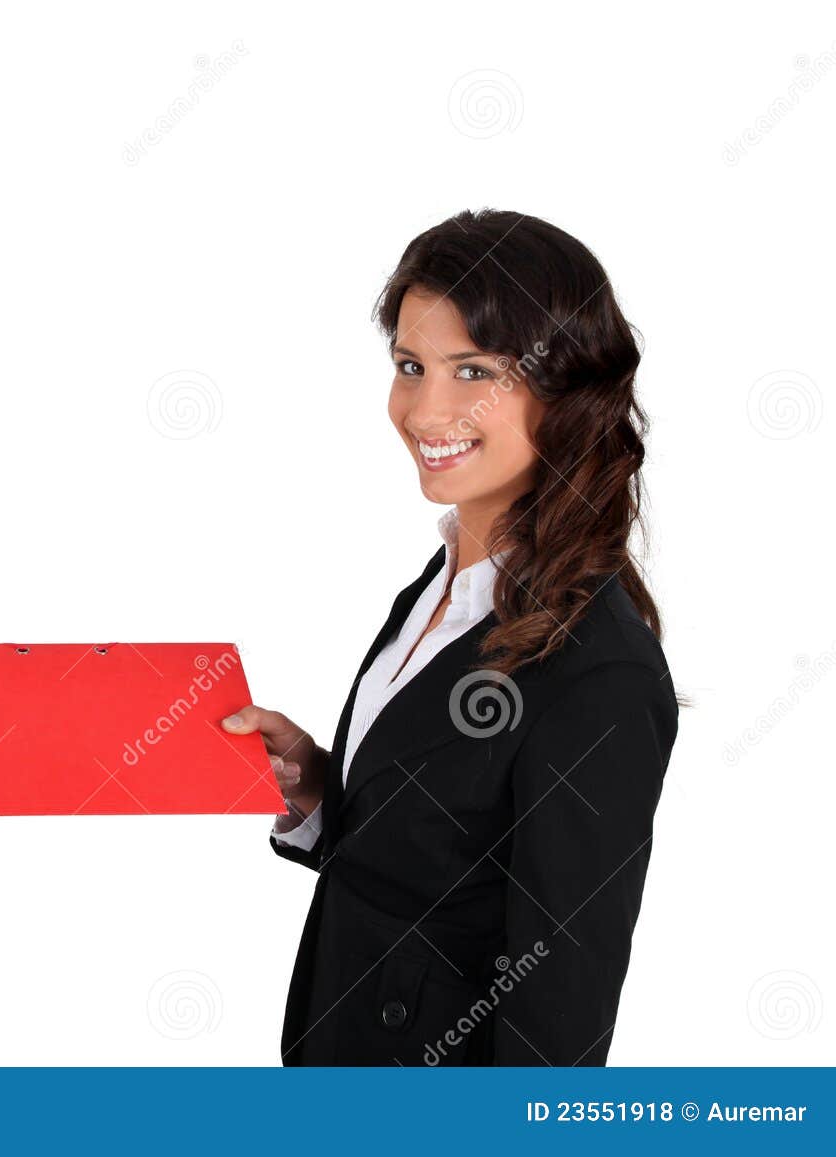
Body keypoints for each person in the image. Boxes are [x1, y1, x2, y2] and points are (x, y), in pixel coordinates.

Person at [223, 209, 679, 1065]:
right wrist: (319, 791)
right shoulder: (441, 586)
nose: (426, 408)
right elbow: (436, 868)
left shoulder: (601, 672)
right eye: (410, 365)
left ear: (566, 385)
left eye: (475, 370)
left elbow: (561, 1017)